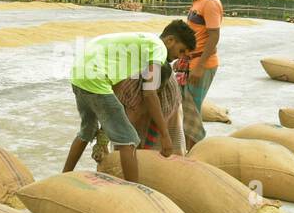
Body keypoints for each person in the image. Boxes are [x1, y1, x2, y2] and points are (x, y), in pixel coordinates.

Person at [62, 22, 196, 184]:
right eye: (181, 51)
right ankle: (135, 189)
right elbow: (149, 93)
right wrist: (165, 136)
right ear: (170, 40)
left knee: (87, 130)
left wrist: (103, 133)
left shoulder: (141, 47)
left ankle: (64, 176)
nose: (179, 57)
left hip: (79, 74)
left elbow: (113, 91)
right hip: (95, 77)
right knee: (129, 140)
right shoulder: (158, 49)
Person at [178, 0, 223, 147]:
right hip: (191, 62)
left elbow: (213, 37)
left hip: (202, 65)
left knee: (192, 114)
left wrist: (199, 66)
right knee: (186, 111)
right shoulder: (199, 0)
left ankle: (194, 152)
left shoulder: (211, 3)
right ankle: (189, 149)